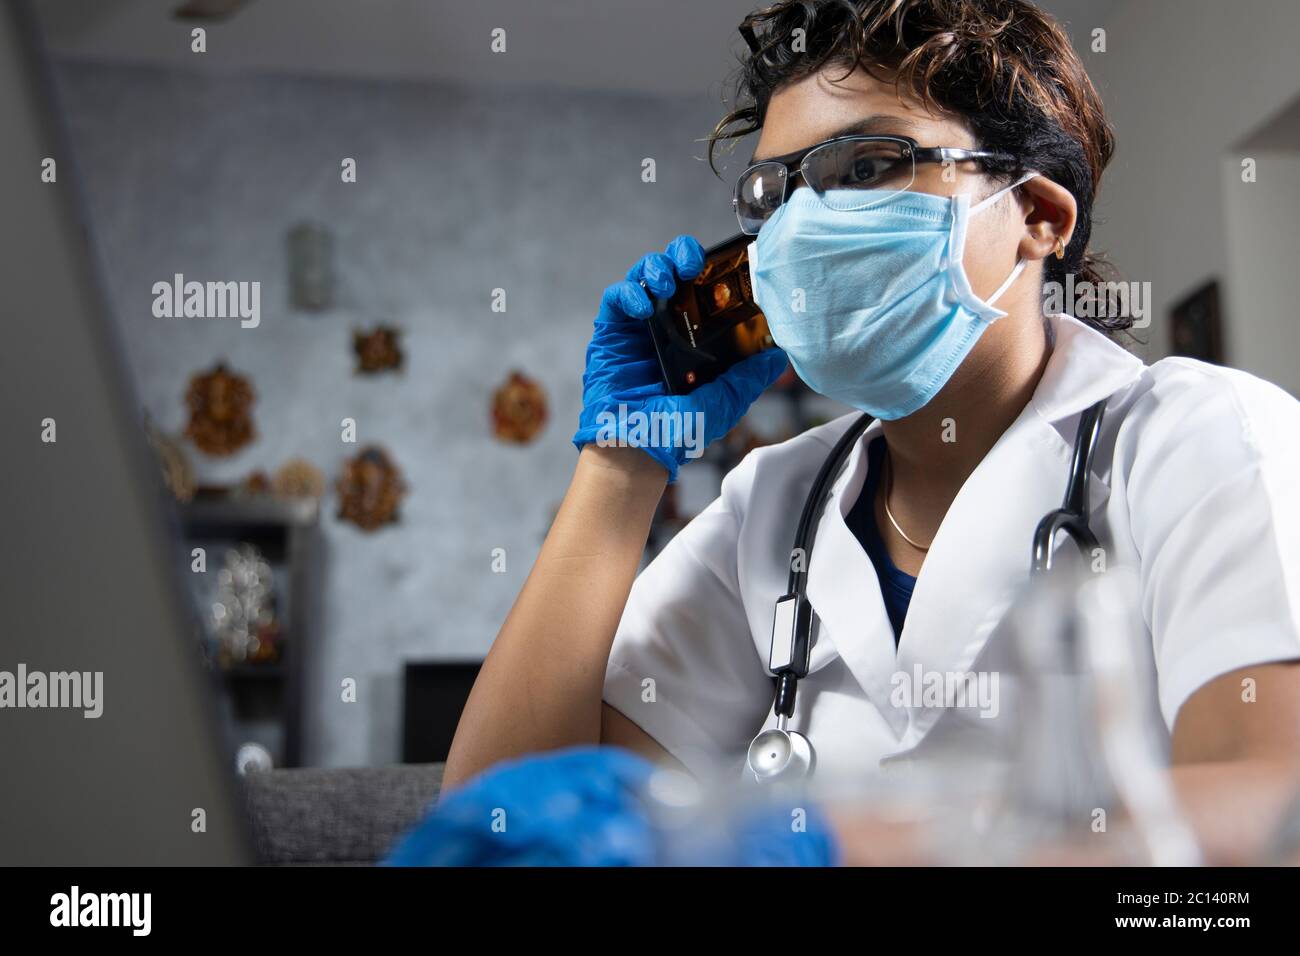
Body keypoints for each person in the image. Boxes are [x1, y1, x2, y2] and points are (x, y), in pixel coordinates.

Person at [443, 0, 1300, 861]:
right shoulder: (771, 505)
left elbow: (1266, 816)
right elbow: (506, 824)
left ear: (1039, 215)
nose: (803, 227)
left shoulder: (1200, 436)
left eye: (865, 167)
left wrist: (835, 845)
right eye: (772, 195)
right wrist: (621, 463)